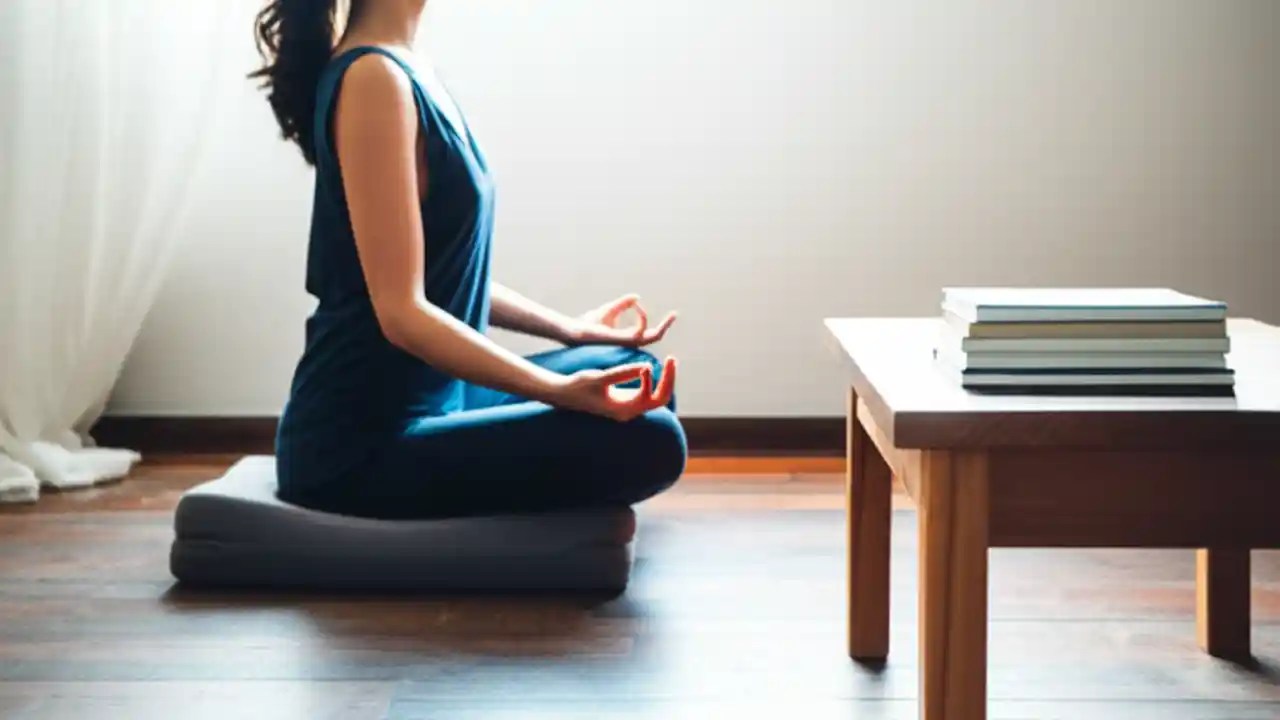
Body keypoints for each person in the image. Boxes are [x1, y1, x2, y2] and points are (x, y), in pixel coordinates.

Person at [250, 0, 686, 520]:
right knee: (650, 436)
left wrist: (570, 331)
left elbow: (439, 272)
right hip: (359, 444)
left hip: (442, 400)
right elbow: (401, 312)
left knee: (634, 374)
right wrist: (556, 390)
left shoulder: (406, 67)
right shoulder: (373, 78)